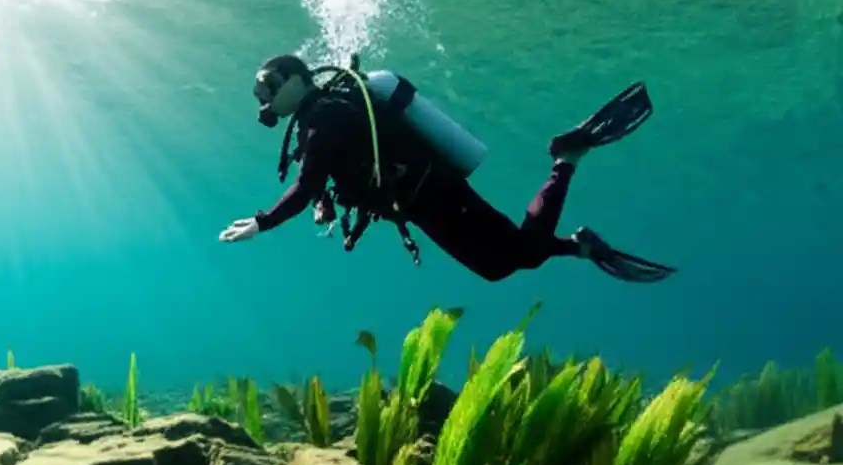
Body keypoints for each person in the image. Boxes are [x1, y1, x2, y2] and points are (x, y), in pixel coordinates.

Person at [217, 53, 676, 283]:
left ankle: (566, 161)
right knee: (503, 262)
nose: (265, 97)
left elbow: (306, 184)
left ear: (298, 79)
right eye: (262, 91)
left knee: (511, 257)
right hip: (420, 199)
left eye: (270, 86)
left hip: (433, 192)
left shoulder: (325, 117)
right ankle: (578, 244)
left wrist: (263, 222)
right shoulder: (319, 118)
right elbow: (323, 179)